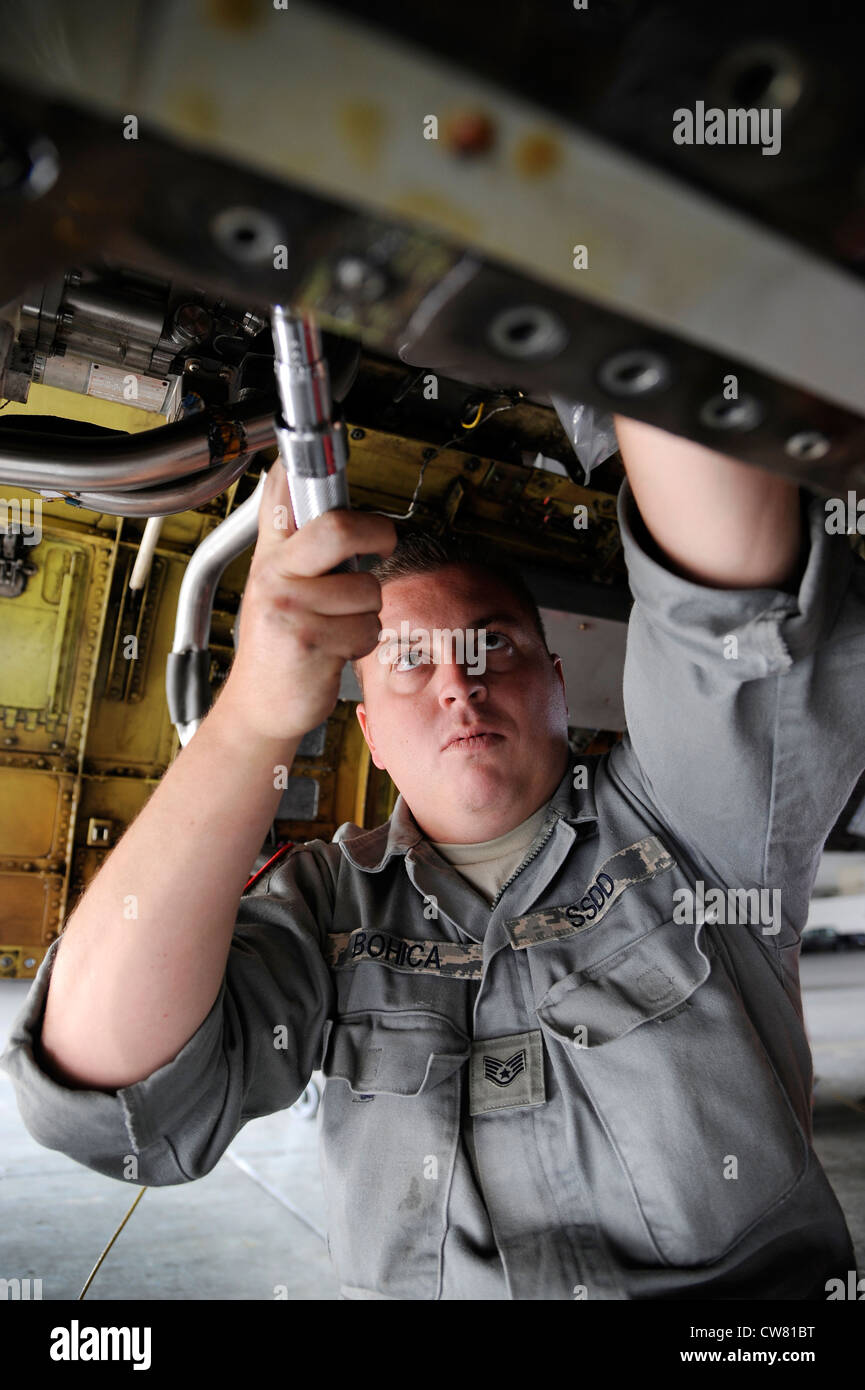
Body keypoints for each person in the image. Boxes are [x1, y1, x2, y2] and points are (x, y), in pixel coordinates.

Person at [2, 415, 862, 1300]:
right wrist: (252, 718)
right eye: (409, 661)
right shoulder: (328, 904)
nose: (459, 682)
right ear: (367, 734)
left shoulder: (684, 824)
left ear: (557, 686)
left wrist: (626, 365)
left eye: (493, 643)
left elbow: (728, 607)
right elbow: (108, 1096)